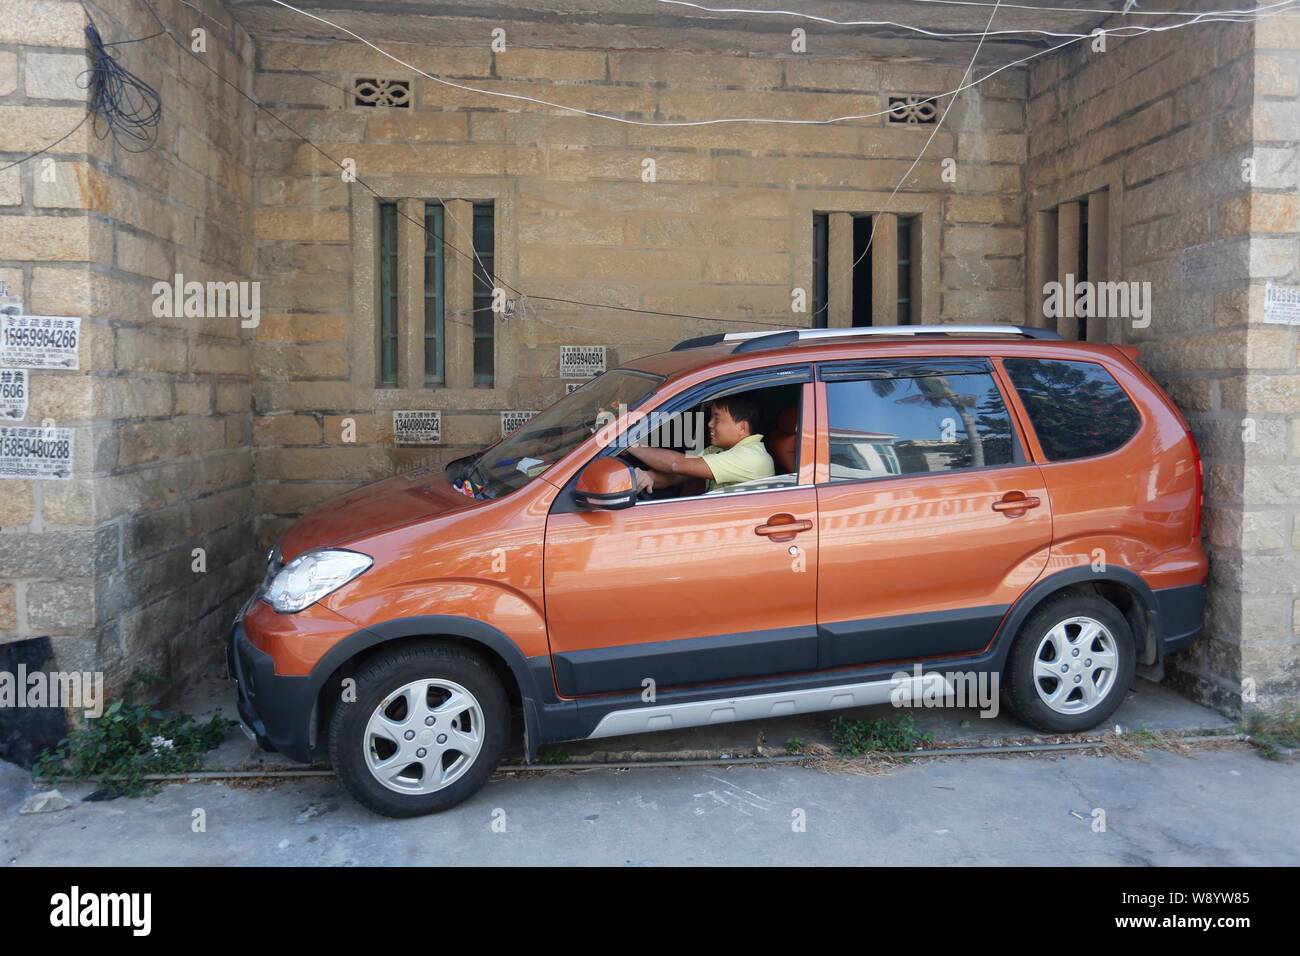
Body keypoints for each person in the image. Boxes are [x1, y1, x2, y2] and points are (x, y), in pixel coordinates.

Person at [626, 394, 774, 496]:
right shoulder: (717, 450)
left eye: (717, 419)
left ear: (742, 428)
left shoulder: (751, 457)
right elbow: (676, 476)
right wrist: (646, 477)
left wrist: (628, 445)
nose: (709, 424)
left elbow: (676, 464)